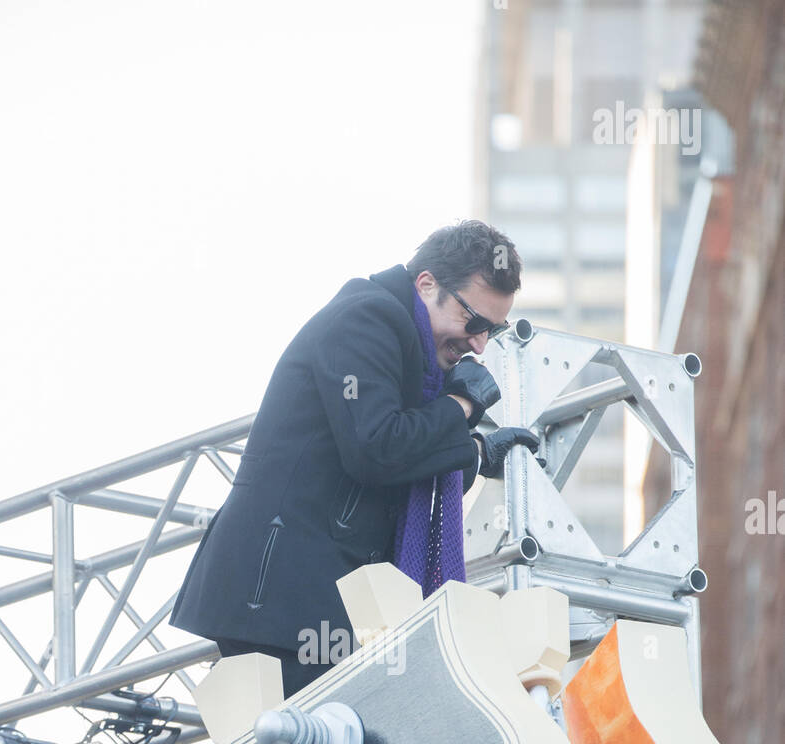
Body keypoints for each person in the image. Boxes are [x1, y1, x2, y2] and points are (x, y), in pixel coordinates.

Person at [169, 220, 539, 696]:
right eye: (474, 322)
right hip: (285, 603)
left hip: (327, 603)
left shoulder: (414, 350)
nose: (479, 343)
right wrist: (461, 407)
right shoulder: (367, 318)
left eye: (494, 329)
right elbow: (378, 447)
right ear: (427, 285)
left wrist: (474, 451)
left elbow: (402, 455)